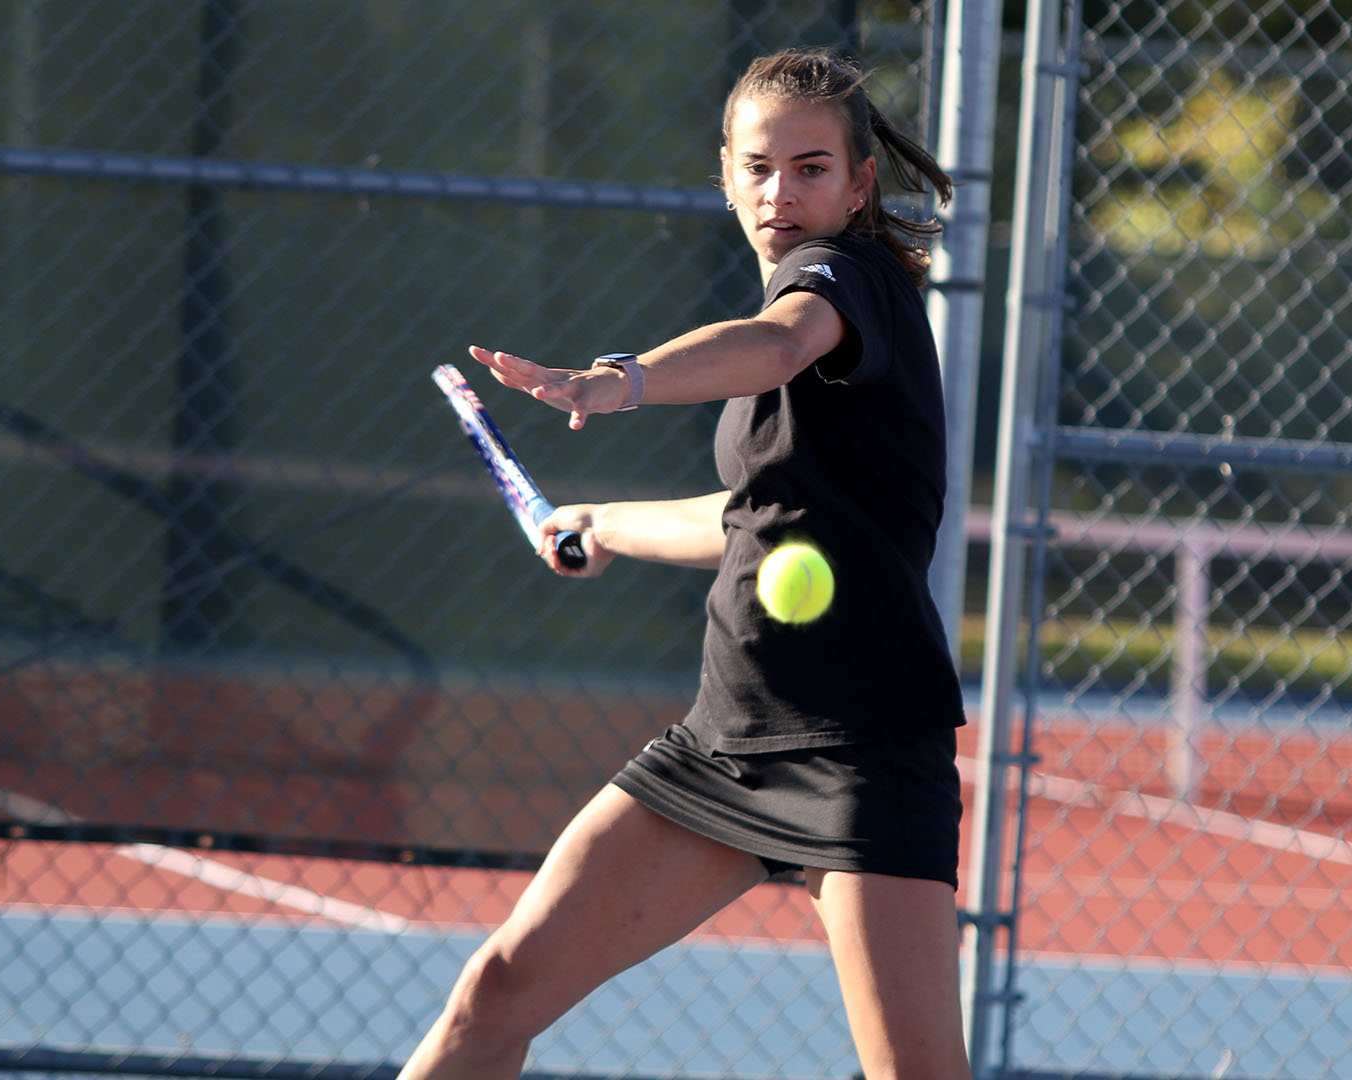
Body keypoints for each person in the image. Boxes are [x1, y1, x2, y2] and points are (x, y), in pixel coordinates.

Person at [395, 48, 968, 1080]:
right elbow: (760, 519)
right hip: (723, 746)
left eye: (810, 168)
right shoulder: (802, 318)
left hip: (863, 756)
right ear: (726, 174)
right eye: (758, 168)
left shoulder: (849, 284)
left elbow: (777, 341)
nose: (780, 193)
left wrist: (618, 381)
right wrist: (603, 523)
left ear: (859, 182)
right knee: (497, 993)